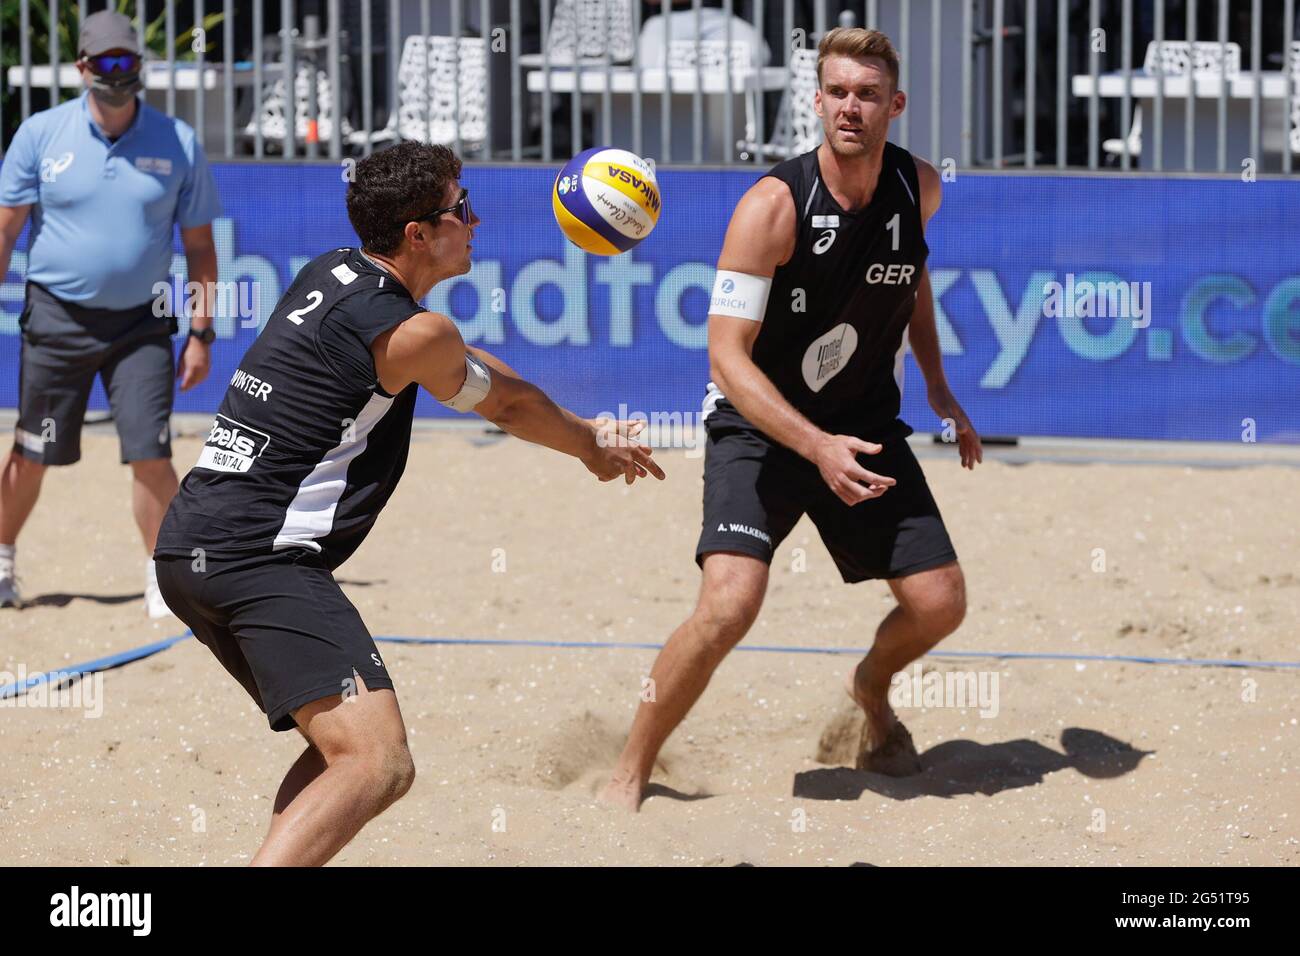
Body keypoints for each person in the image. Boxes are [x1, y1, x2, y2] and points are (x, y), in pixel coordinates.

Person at [152, 141, 664, 865]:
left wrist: (585, 430)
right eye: (462, 208)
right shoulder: (415, 331)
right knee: (379, 762)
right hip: (260, 558)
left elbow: (476, 372)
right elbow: (507, 405)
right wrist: (588, 447)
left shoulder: (335, 271)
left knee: (343, 749)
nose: (476, 219)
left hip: (192, 548)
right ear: (419, 234)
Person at [600, 27, 983, 812]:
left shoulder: (920, 189)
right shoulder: (771, 207)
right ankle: (629, 769)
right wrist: (814, 445)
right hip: (760, 426)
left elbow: (909, 283)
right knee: (729, 606)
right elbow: (727, 360)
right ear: (816, 102)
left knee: (941, 601)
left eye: (868, 94)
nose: (851, 106)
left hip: (864, 423)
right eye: (837, 91)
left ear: (894, 105)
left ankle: (869, 688)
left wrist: (939, 387)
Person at [0, 10, 221, 616]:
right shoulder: (41, 134)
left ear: (140, 67)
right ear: (83, 68)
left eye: (129, 62)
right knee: (31, 449)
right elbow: (4, 233)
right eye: (107, 63)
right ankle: (1, 560)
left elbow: (201, 248)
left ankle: (163, 576)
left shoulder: (176, 141)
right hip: (56, 318)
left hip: (141, 324)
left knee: (151, 451)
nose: (119, 73)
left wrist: (201, 333)